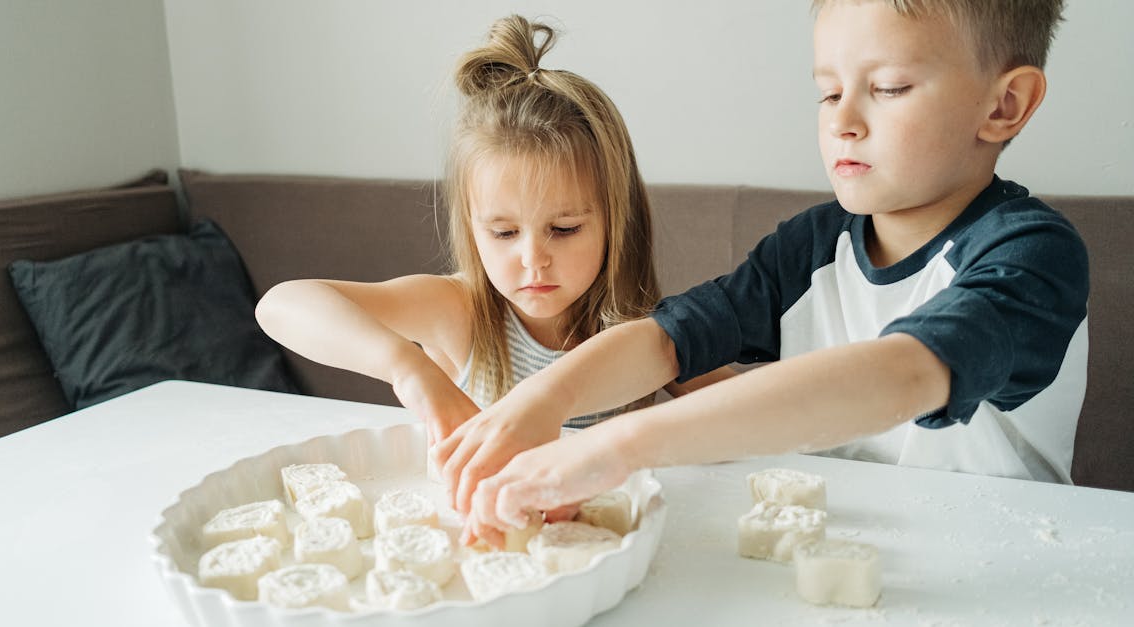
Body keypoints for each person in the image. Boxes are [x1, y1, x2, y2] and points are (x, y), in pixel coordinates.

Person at [437, 0, 1089, 547]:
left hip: (1003, 564)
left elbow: (904, 372)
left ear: (1005, 104)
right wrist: (543, 400)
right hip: (837, 555)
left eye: (887, 88)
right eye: (828, 90)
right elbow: (669, 339)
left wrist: (619, 444)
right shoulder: (811, 245)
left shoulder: (1034, 254)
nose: (842, 119)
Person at [256, 16, 729, 457]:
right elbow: (280, 305)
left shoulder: (645, 333)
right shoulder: (460, 311)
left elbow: (762, 412)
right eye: (503, 232)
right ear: (471, 225)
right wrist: (407, 367)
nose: (532, 258)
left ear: (618, 220)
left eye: (564, 229)